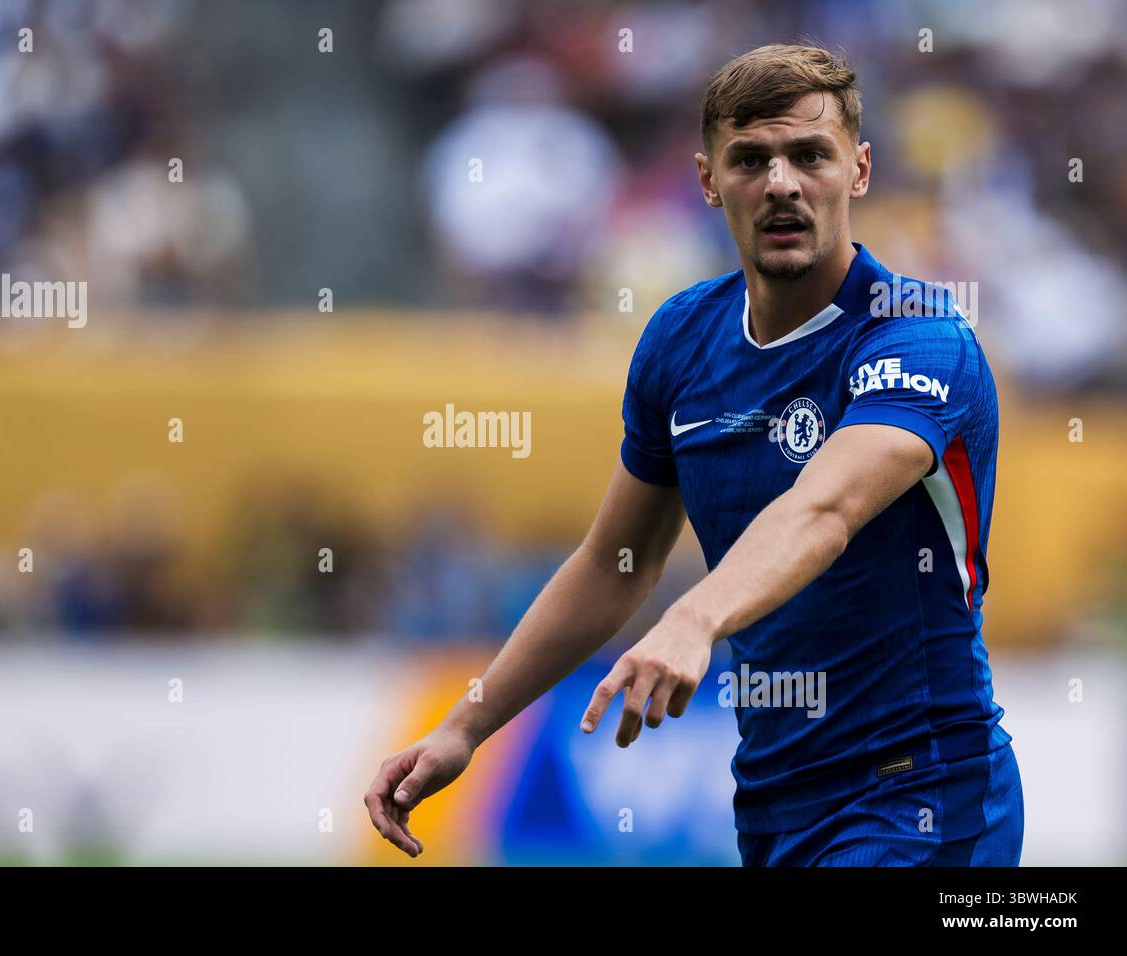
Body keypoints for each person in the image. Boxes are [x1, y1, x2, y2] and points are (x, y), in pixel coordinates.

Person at [364, 43, 1022, 866]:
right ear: (709, 181)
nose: (782, 181)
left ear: (857, 172)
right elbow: (614, 562)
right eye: (751, 159)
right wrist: (465, 726)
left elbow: (826, 508)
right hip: (774, 797)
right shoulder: (681, 340)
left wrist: (693, 618)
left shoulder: (920, 338)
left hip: (921, 788)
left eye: (810, 155)